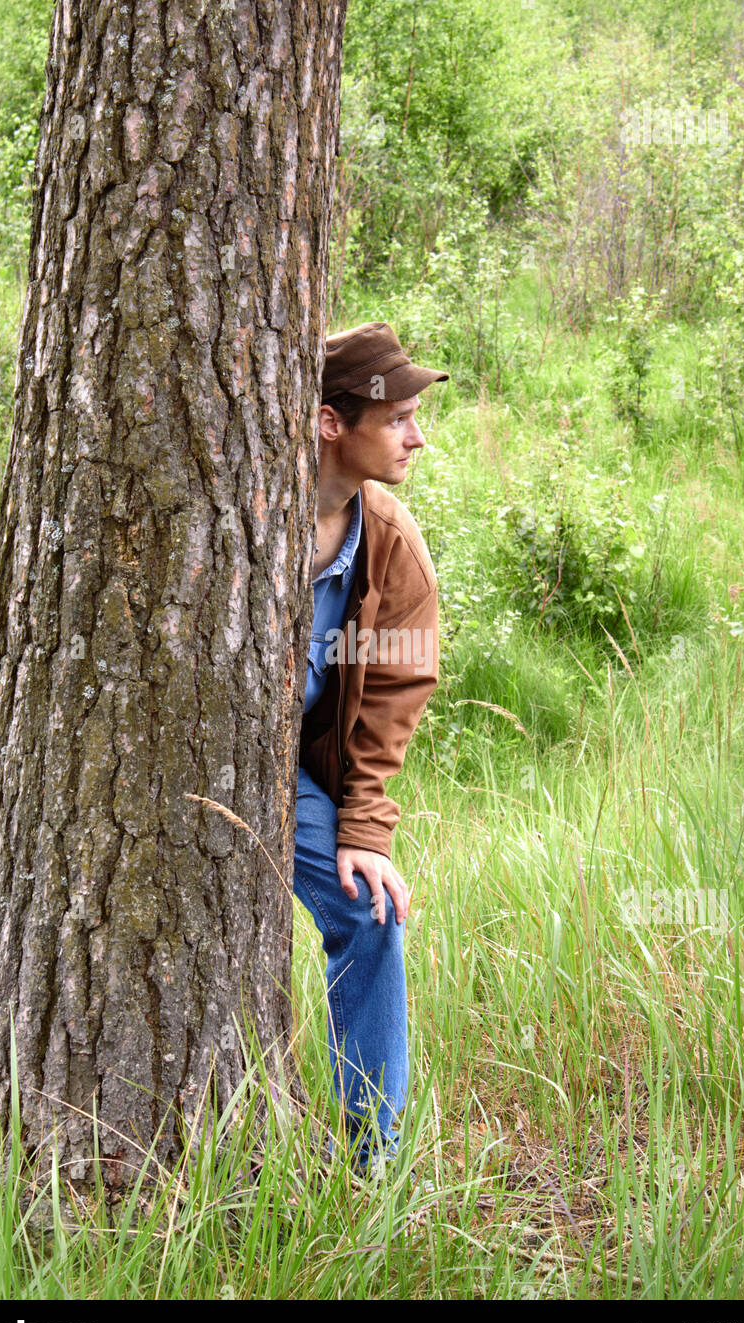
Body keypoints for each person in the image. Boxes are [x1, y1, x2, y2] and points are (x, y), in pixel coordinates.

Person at [295, 321, 448, 1174]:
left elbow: (393, 696)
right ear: (330, 422)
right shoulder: (233, 510)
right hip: (191, 756)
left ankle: (370, 1160)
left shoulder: (390, 544)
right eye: (398, 418)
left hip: (292, 776)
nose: (417, 436)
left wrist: (363, 828)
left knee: (372, 906)